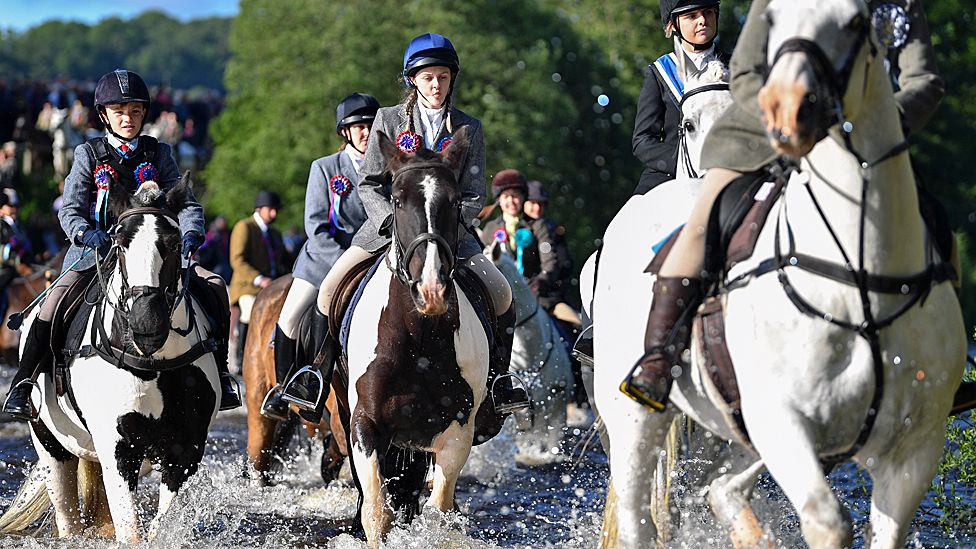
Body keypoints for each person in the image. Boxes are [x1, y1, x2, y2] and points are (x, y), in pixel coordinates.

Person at [622, 0, 947, 412]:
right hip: (770, 130)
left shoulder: (899, 3)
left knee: (932, 217)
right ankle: (658, 357)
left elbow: (925, 80)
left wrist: (880, 122)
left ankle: (940, 359)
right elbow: (744, 74)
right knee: (705, 219)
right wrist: (788, 115)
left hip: (868, 138)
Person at [282, 33, 530, 419]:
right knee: (328, 291)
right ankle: (315, 374)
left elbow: (474, 193)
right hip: (387, 231)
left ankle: (499, 380)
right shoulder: (388, 119)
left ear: (452, 79)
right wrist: (391, 222)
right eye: (428, 77)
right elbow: (368, 182)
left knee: (502, 294)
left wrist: (444, 230)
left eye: (443, 77)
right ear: (413, 79)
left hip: (448, 236)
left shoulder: (470, 127)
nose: (436, 85)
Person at [2, 69, 241, 420]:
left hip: (154, 253)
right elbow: (70, 210)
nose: (127, 119)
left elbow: (187, 203)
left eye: (134, 111)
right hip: (96, 253)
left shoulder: (159, 152)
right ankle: (23, 384)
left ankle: (220, 372)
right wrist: (86, 233)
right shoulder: (88, 153)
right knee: (52, 305)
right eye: (119, 112)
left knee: (215, 286)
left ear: (144, 114)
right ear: (104, 115)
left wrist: (191, 233)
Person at [260, 92, 377, 420]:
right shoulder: (325, 168)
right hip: (324, 260)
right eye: (359, 126)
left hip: (375, 260)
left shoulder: (386, 169)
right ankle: (284, 390)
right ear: (346, 131)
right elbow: (315, 225)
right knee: (290, 317)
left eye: (371, 125)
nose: (366, 132)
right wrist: (346, 260)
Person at [632, 0, 729, 195]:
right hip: (672, 174)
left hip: (731, 168)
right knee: (632, 212)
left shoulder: (737, 67)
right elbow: (643, 140)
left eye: (708, 12)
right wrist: (687, 162)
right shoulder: (659, 72)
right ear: (673, 25)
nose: (702, 20)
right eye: (692, 16)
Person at [480, 170, 563, 313]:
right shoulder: (490, 229)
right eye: (506, 196)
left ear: (523, 198)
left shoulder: (538, 226)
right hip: (501, 299)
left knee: (573, 321)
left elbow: (550, 262)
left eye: (515, 196)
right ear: (499, 200)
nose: (511, 201)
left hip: (537, 297)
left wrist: (537, 284)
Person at [228, 190, 291, 367]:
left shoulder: (275, 233)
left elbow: (285, 260)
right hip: (248, 287)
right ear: (259, 208)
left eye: (276, 209)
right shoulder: (244, 227)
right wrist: (259, 279)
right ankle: (241, 358)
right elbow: (237, 260)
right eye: (270, 209)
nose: (274, 214)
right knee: (249, 310)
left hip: (273, 286)